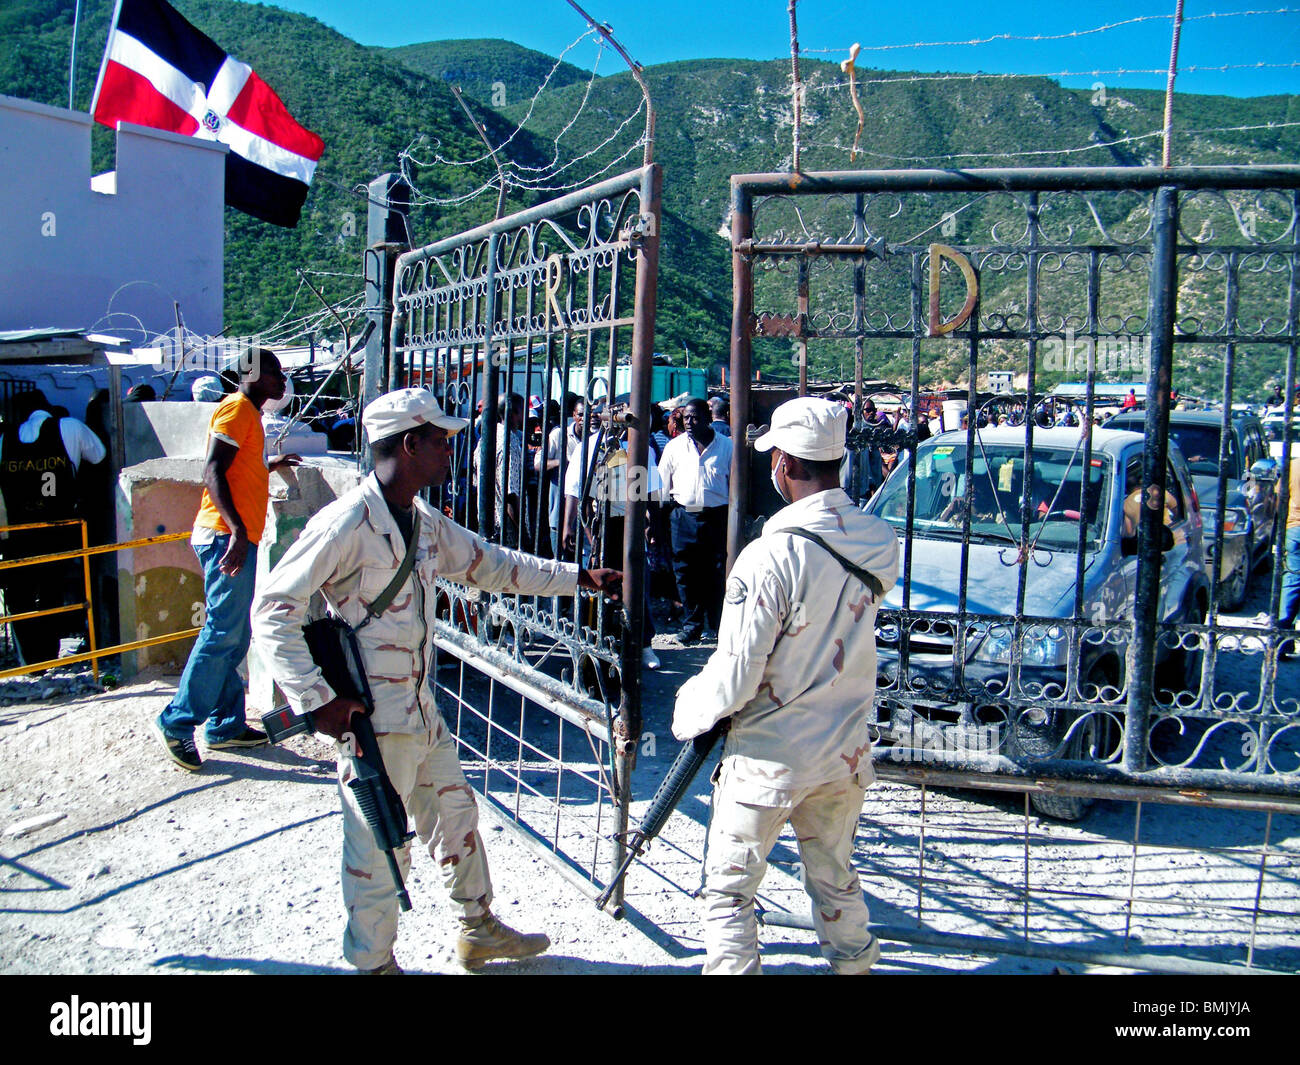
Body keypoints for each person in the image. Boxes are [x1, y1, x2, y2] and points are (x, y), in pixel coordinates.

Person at [252, 387, 621, 973]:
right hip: (373, 721)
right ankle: (374, 963)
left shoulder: (420, 521)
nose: (452, 449)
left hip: (420, 710)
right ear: (410, 443)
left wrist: (579, 578)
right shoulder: (349, 522)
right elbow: (273, 609)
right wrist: (315, 699)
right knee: (380, 845)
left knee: (456, 817)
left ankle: (478, 929)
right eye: (441, 440)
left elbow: (494, 565)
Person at [671, 396, 899, 975]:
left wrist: (688, 711)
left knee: (728, 894)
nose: (770, 465)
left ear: (789, 465)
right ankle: (854, 967)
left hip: (770, 759)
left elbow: (736, 676)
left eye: (773, 455)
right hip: (841, 752)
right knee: (836, 880)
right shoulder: (877, 540)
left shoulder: (768, 556)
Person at [153, 348, 297, 771]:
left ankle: (225, 726)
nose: (282, 380)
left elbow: (239, 468)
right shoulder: (235, 408)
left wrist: (270, 464)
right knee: (221, 633)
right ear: (250, 373)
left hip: (234, 535)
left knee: (233, 635)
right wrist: (235, 531)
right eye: (274, 371)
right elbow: (213, 470)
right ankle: (177, 723)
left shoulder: (248, 413)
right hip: (224, 536)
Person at [0, 389, 108, 665]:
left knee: (20, 597)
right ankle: (48, 656)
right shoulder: (69, 427)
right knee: (52, 591)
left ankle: (31, 659)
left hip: (17, 534)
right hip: (60, 529)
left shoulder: (5, 440)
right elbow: (99, 456)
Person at [657, 397, 732, 643]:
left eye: (695, 417)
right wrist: (655, 519)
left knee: (716, 571)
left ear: (708, 418)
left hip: (716, 517)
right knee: (685, 573)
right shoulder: (674, 447)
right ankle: (692, 625)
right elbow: (661, 485)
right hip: (682, 516)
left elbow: (736, 485)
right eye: (686, 417)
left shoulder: (726, 447)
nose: (689, 422)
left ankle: (719, 625)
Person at [1278, 455, 1300, 660]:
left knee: (1292, 582)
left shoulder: (1293, 466)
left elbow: (1280, 496)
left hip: (1295, 528)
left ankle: (1282, 640)